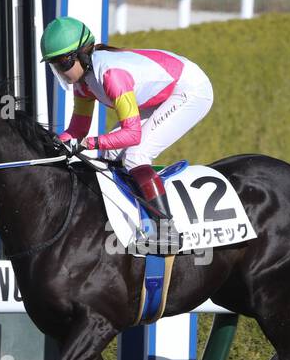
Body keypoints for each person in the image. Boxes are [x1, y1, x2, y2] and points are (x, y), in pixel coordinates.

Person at [39, 16, 214, 254]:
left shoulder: (111, 75)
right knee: (111, 151)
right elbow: (77, 130)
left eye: (62, 63)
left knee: (136, 154)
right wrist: (49, 146)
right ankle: (131, 216)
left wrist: (86, 143)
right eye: (55, 65)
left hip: (190, 91)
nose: (61, 71)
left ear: (80, 55)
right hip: (164, 93)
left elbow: (131, 134)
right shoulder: (83, 82)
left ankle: (167, 231)